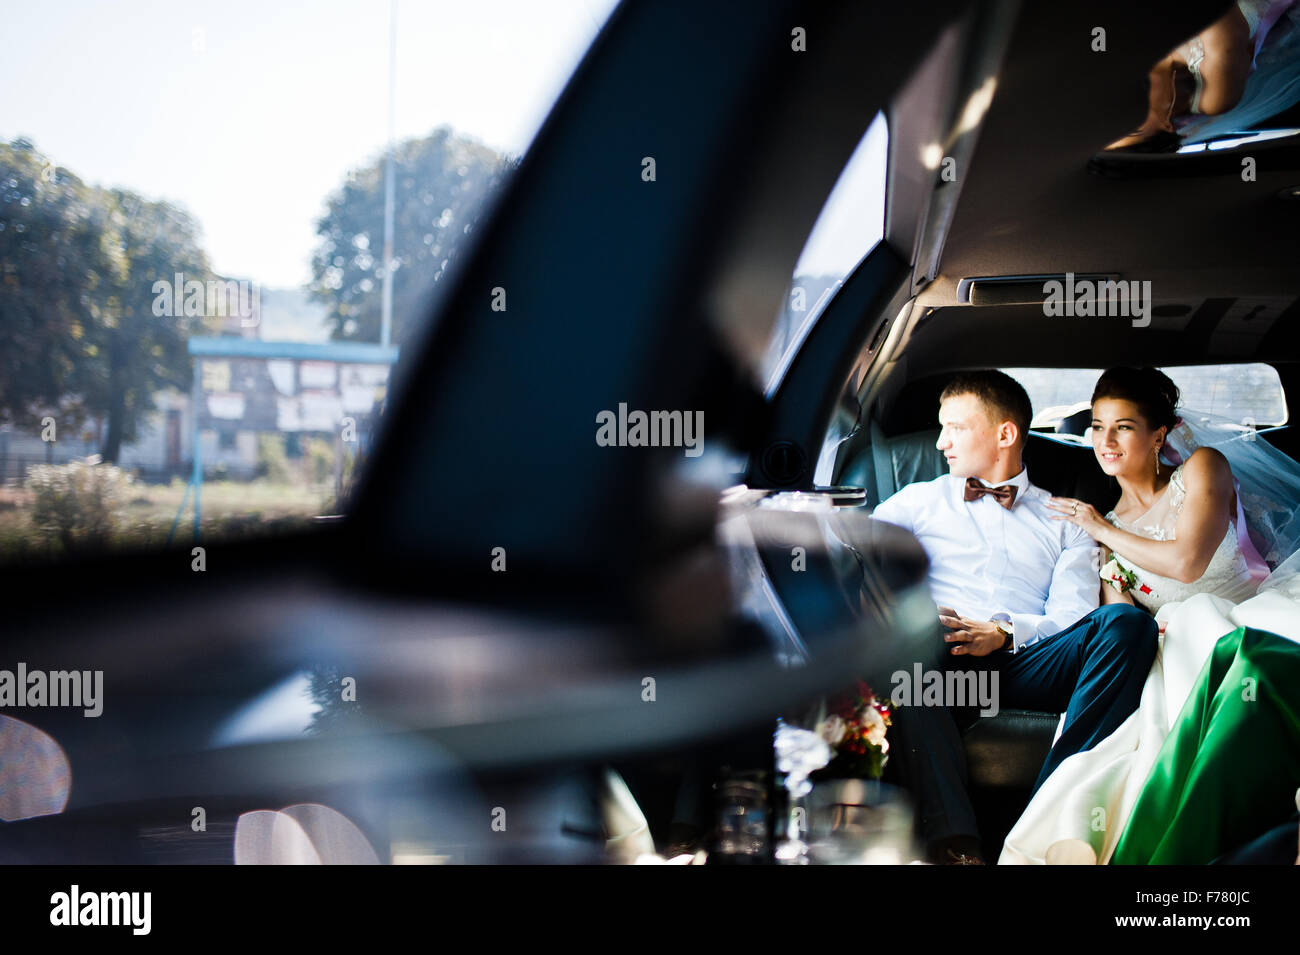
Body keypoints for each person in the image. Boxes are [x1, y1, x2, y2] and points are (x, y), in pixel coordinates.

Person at [1001, 366, 1300, 864]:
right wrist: (1107, 561)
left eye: (1123, 426)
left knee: (1210, 622)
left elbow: (1188, 563)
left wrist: (1102, 529)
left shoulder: (1202, 469)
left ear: (1158, 435)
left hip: (1248, 613)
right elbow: (1123, 625)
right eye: (1097, 426)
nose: (1105, 440)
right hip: (1174, 644)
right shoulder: (1102, 532)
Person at [870, 370, 1158, 865]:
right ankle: (954, 846)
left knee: (1127, 625)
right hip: (936, 660)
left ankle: (1053, 812)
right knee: (914, 637)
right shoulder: (914, 502)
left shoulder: (1065, 519)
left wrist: (1004, 634)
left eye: (955, 428)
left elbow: (1072, 614)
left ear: (1005, 434)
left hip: (1023, 665)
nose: (940, 443)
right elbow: (856, 558)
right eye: (942, 428)